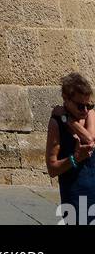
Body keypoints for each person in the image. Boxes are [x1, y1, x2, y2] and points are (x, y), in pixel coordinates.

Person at [46, 71, 95, 225]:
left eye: (89, 105)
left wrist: (67, 119)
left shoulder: (89, 114)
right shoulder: (56, 125)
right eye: (81, 106)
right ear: (66, 99)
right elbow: (52, 169)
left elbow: (89, 139)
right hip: (76, 198)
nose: (85, 110)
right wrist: (75, 158)